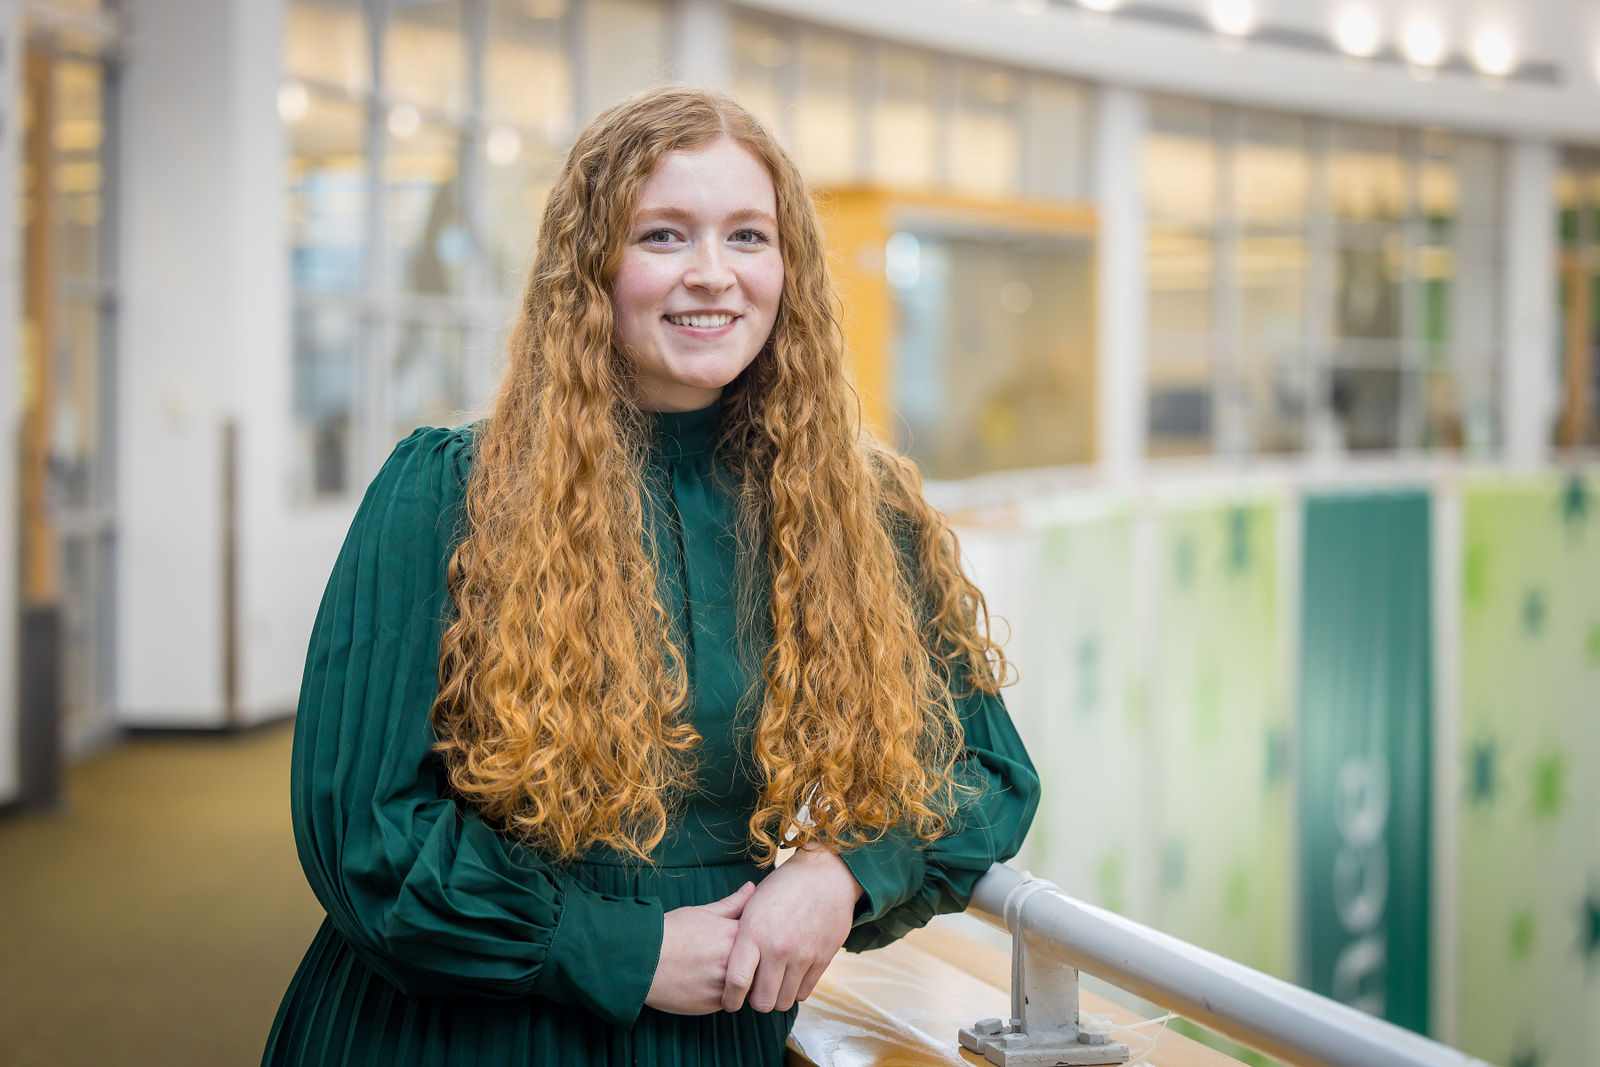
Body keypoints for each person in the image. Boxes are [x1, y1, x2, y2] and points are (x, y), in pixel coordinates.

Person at [262, 85, 1040, 1066]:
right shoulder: (447, 490)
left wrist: (846, 870)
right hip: (466, 1026)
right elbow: (362, 833)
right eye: (664, 235)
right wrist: (618, 945)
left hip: (712, 1031)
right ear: (588, 268)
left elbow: (990, 770)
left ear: (789, 267)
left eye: (748, 237)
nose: (712, 275)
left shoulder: (855, 505)